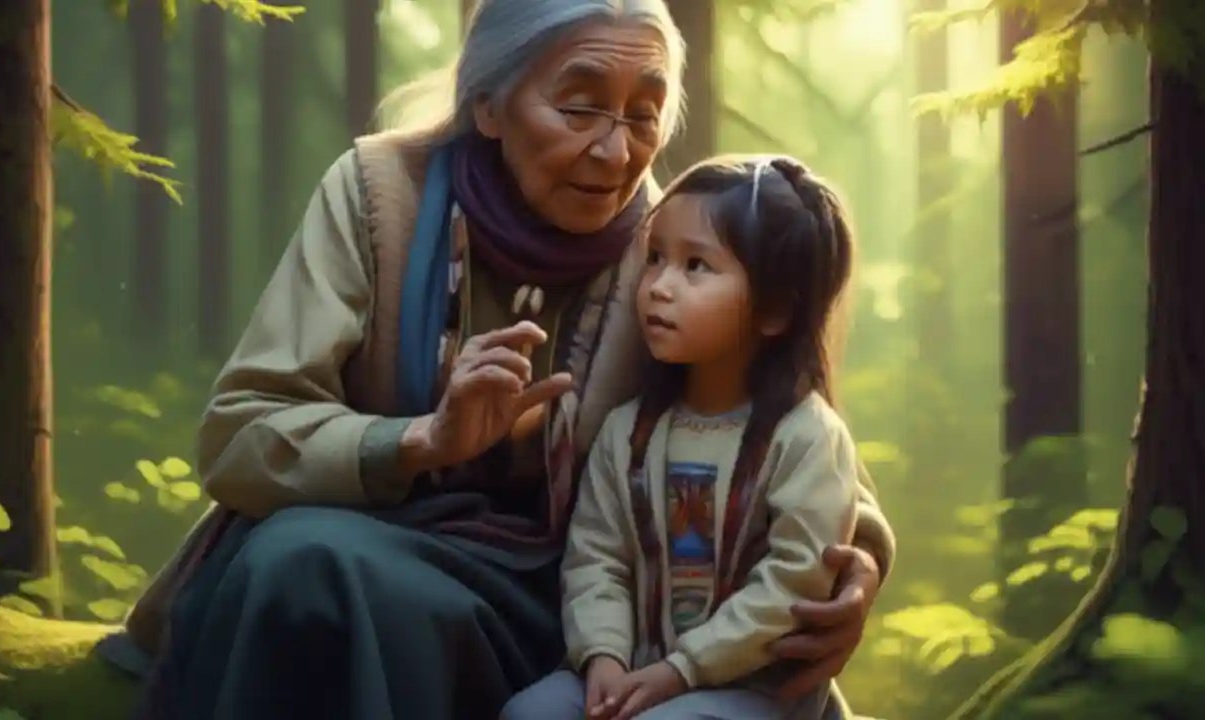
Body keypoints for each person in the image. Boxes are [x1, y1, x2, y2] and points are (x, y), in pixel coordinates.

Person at [121, 1, 897, 718]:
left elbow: (791, 430)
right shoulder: (378, 194)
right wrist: (420, 441)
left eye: (644, 114)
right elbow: (240, 434)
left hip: (587, 608)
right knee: (306, 560)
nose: (615, 148)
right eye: (580, 105)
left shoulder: (665, 249)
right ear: (487, 104)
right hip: (375, 551)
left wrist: (856, 564)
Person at [502, 155, 863, 720]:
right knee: (532, 713)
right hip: (638, 665)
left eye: (696, 266)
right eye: (654, 259)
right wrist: (603, 657)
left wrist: (683, 670)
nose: (658, 287)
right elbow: (596, 556)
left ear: (773, 309)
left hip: (757, 685)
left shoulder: (806, 437)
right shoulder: (628, 430)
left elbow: (793, 582)